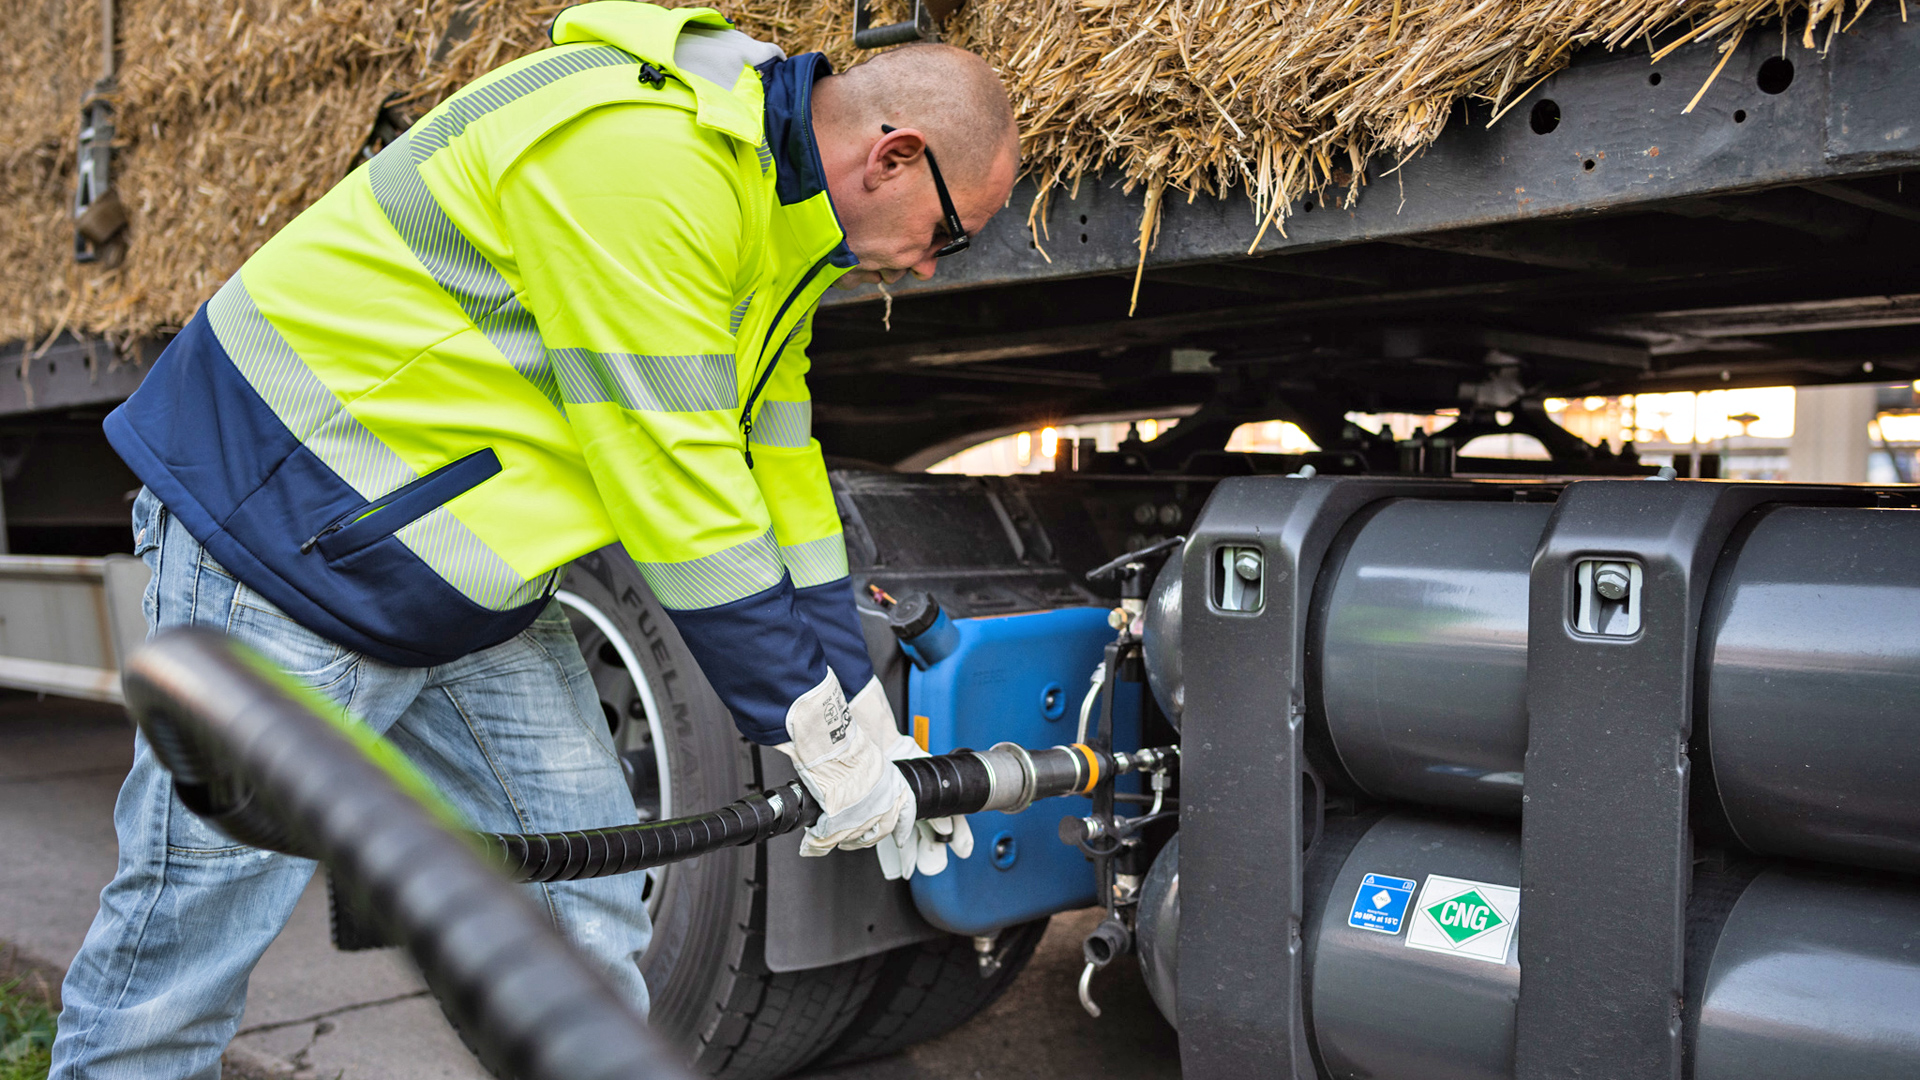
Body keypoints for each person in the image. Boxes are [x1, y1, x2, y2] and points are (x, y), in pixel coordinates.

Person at [49, 3, 1020, 1075]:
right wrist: (810, 732)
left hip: (445, 563)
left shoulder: (781, 221)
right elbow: (677, 490)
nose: (933, 266)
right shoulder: (650, 161)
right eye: (952, 233)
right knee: (187, 945)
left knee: (584, 908)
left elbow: (778, 468)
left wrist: (862, 711)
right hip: (288, 537)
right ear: (893, 155)